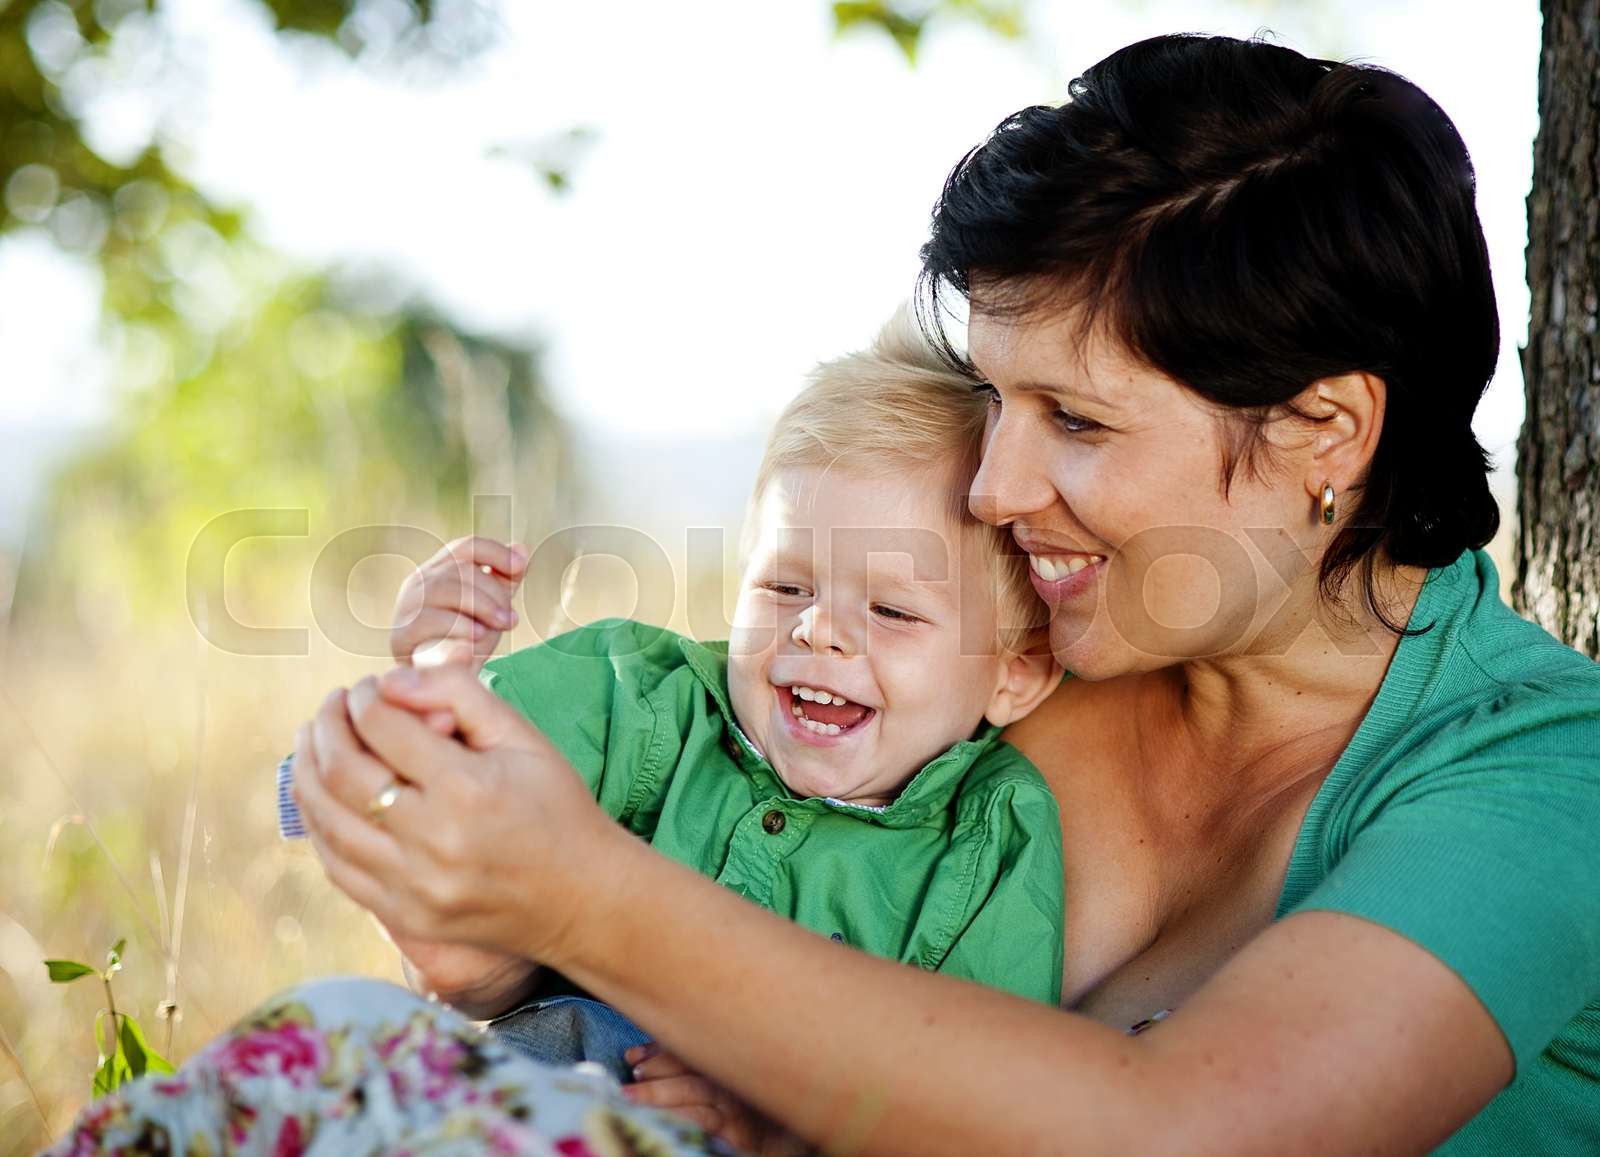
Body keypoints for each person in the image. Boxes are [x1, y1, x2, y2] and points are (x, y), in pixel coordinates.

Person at [46, 32, 1600, 1157]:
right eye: (995, 401)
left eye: (1078, 420)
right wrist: (465, 873)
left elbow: (1187, 1130)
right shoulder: (1033, 647)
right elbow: (610, 983)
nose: (992, 491)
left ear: (1327, 431)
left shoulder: (1546, 774)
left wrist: (582, 889)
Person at [271, 318, 1066, 1079]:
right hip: (541, 1089)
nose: (818, 630)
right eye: (786, 585)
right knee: (337, 1023)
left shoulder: (992, 838)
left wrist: (781, 1131)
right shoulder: (648, 698)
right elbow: (468, 782)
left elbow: (981, 1088)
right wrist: (437, 675)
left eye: (891, 610)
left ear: (1014, 673)